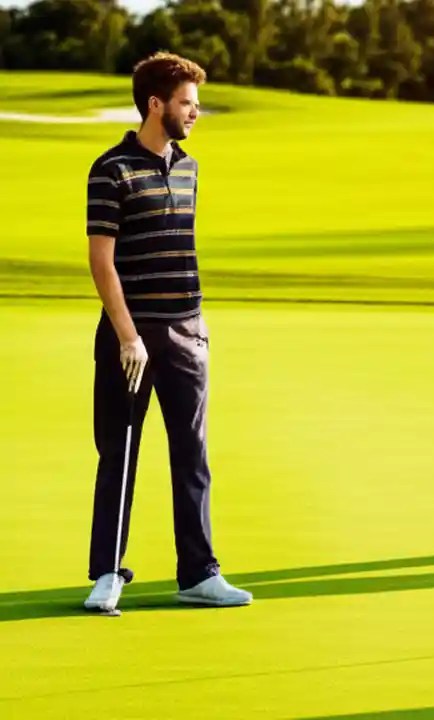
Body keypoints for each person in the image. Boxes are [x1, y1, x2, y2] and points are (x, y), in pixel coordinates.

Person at [83, 52, 252, 611]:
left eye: (196, 104)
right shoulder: (111, 170)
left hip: (186, 332)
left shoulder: (190, 167)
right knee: (121, 452)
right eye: (187, 103)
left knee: (192, 452)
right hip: (129, 336)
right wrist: (128, 335)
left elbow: (181, 250)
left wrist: (197, 321)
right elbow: (102, 261)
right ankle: (107, 574)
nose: (195, 112)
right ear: (156, 104)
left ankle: (199, 574)